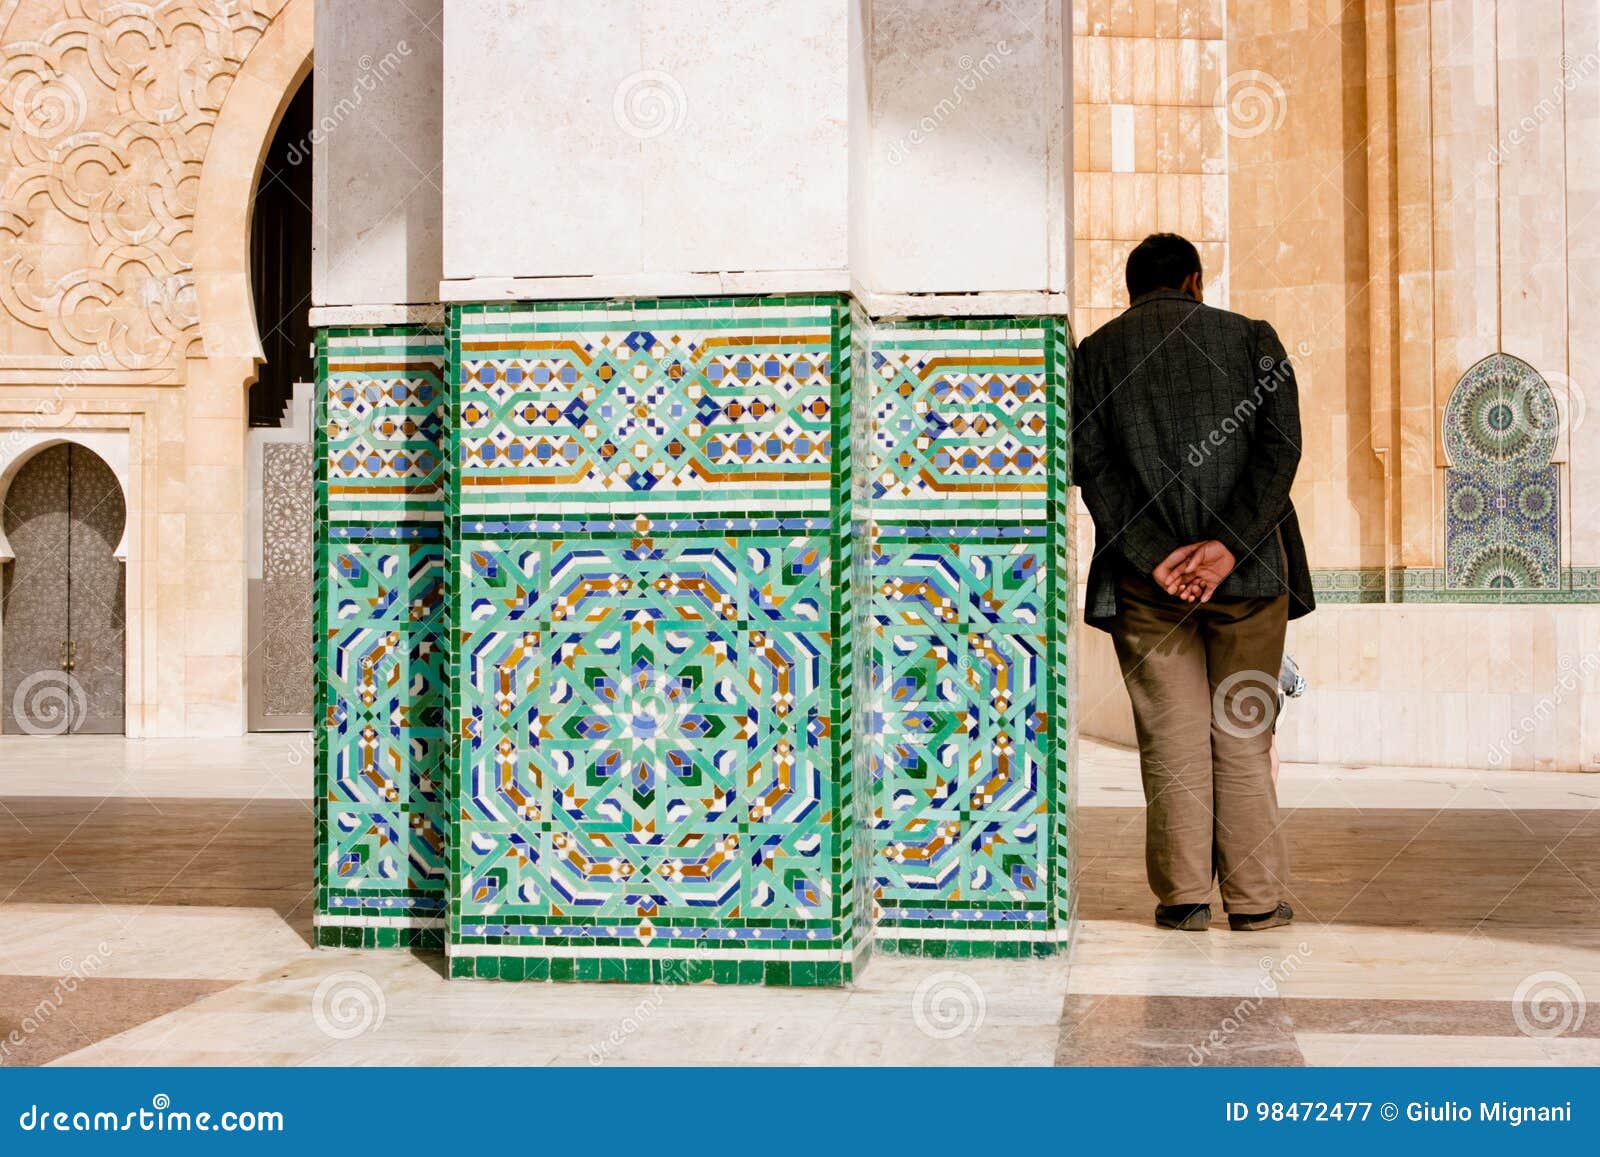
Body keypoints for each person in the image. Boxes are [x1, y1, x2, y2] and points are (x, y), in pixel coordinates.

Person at [1074, 233, 1316, 933]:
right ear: (1194, 280)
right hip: (1249, 577)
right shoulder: (1252, 340)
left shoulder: (1095, 354)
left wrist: (1155, 555)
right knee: (1242, 731)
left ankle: (1183, 898)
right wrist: (1225, 548)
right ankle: (1255, 900)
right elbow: (1281, 448)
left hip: (1145, 585)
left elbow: (1092, 466)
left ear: (1132, 289)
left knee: (1172, 737)